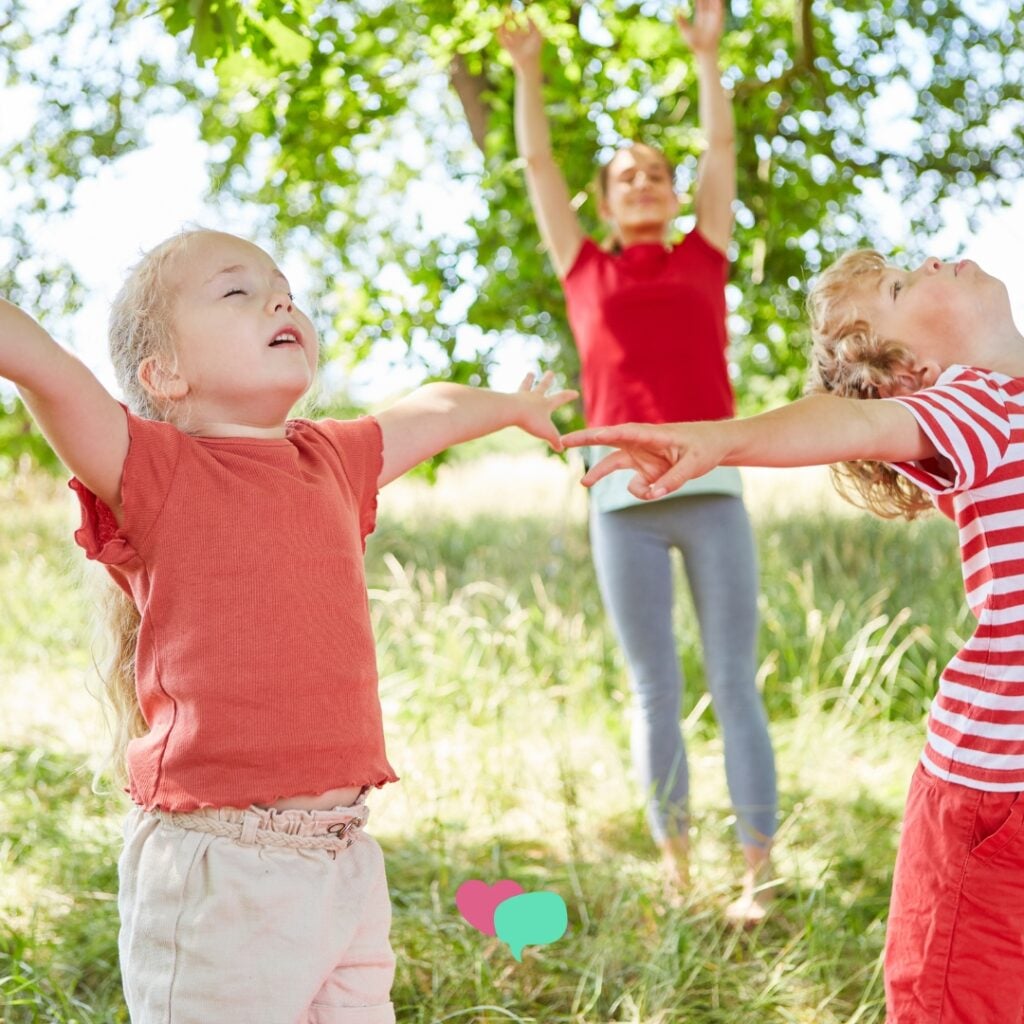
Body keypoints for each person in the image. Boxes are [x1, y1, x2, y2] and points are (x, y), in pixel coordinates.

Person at [0, 227, 576, 1024]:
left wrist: (512, 407)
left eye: (284, 289)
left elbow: (434, 407)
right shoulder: (156, 469)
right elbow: (43, 367)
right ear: (162, 373)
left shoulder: (332, 458)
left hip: (345, 859)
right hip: (220, 873)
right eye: (237, 291)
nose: (280, 299)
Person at [563, 249, 1024, 1022]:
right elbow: (854, 421)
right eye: (901, 286)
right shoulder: (979, 406)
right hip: (995, 800)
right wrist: (722, 439)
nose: (936, 258)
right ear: (908, 369)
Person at [498, 0, 777, 921]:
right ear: (607, 202)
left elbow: (721, 156)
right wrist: (529, 73)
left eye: (659, 173)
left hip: (713, 488)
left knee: (735, 680)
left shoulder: (705, 256)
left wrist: (708, 58)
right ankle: (679, 868)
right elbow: (538, 163)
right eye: (629, 177)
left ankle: (756, 873)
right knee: (654, 687)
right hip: (618, 497)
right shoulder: (584, 269)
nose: (648, 184)